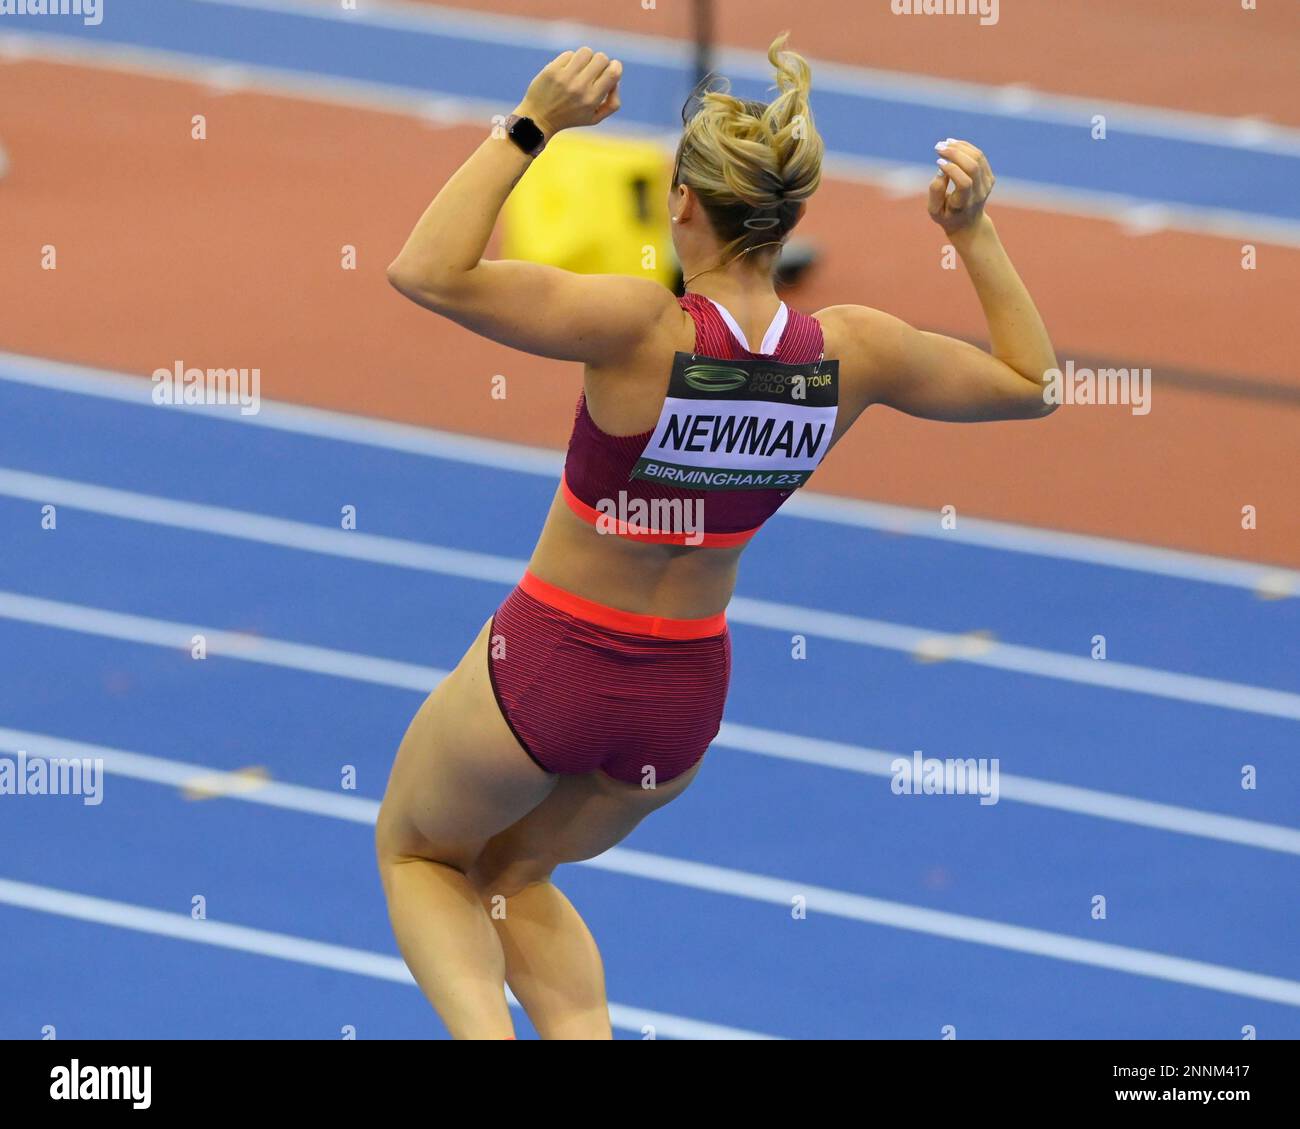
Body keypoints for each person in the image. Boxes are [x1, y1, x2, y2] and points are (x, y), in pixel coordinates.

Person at [377, 34, 1057, 1040]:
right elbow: (1032, 385)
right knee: (515, 870)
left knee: (422, 854)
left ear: (684, 205)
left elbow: (424, 270)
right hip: (682, 700)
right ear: (786, 221)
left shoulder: (636, 328)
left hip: (555, 658)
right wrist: (973, 232)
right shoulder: (851, 353)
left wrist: (532, 123)